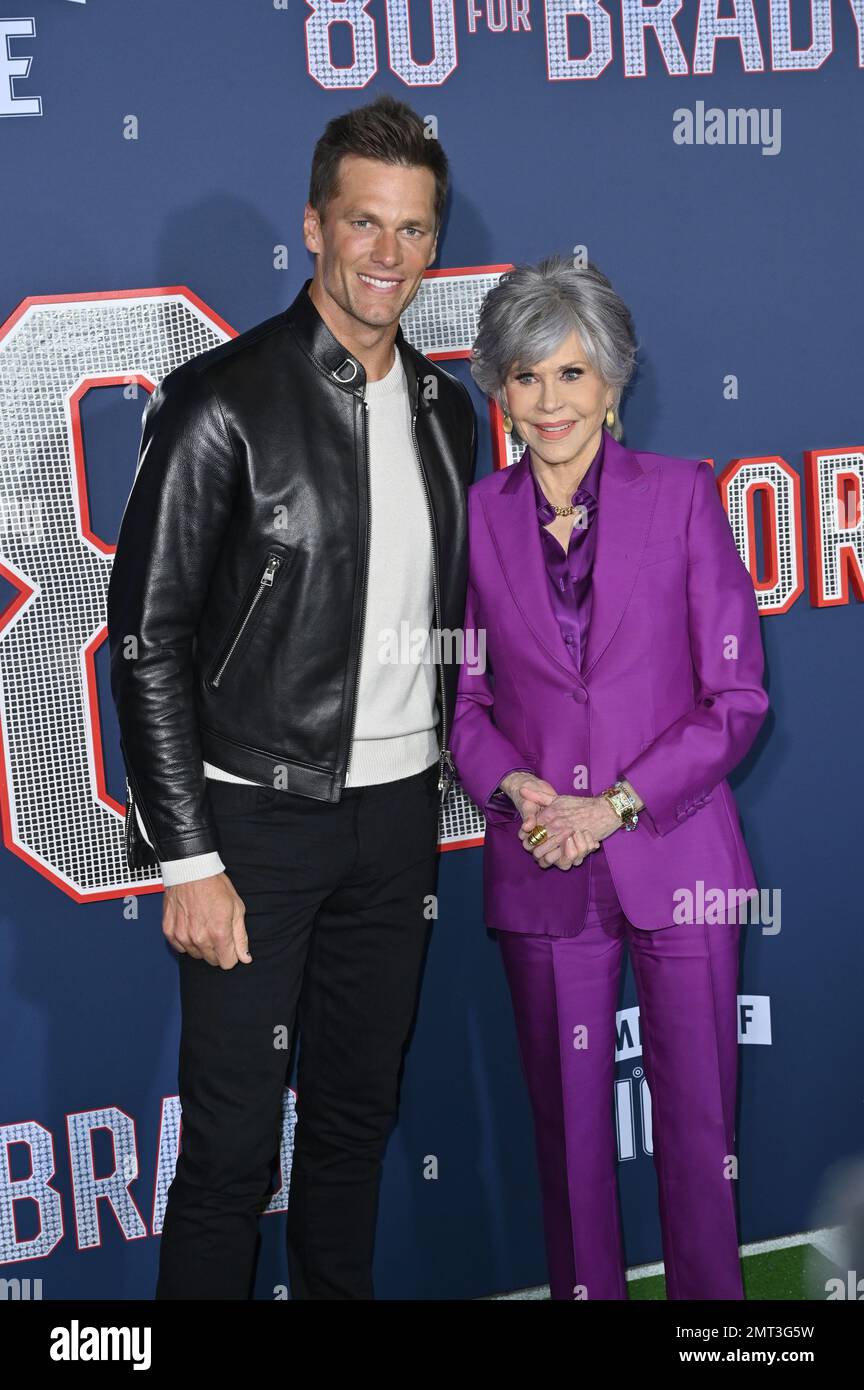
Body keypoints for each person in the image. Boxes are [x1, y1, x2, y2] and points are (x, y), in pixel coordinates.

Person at [107, 94, 475, 1300]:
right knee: (226, 1154)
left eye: (413, 230)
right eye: (364, 223)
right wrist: (187, 859)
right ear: (313, 226)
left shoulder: (446, 412)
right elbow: (146, 639)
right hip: (251, 827)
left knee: (355, 1129)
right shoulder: (223, 402)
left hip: (396, 822)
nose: (388, 255)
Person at [449, 256, 769, 1300]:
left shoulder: (682, 498)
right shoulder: (476, 519)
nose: (551, 403)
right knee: (572, 1152)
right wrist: (520, 792)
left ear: (613, 386)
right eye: (528, 377)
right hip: (544, 869)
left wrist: (616, 804)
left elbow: (736, 700)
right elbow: (462, 707)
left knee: (698, 1138)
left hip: (675, 856)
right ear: (500, 386)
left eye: (573, 376)